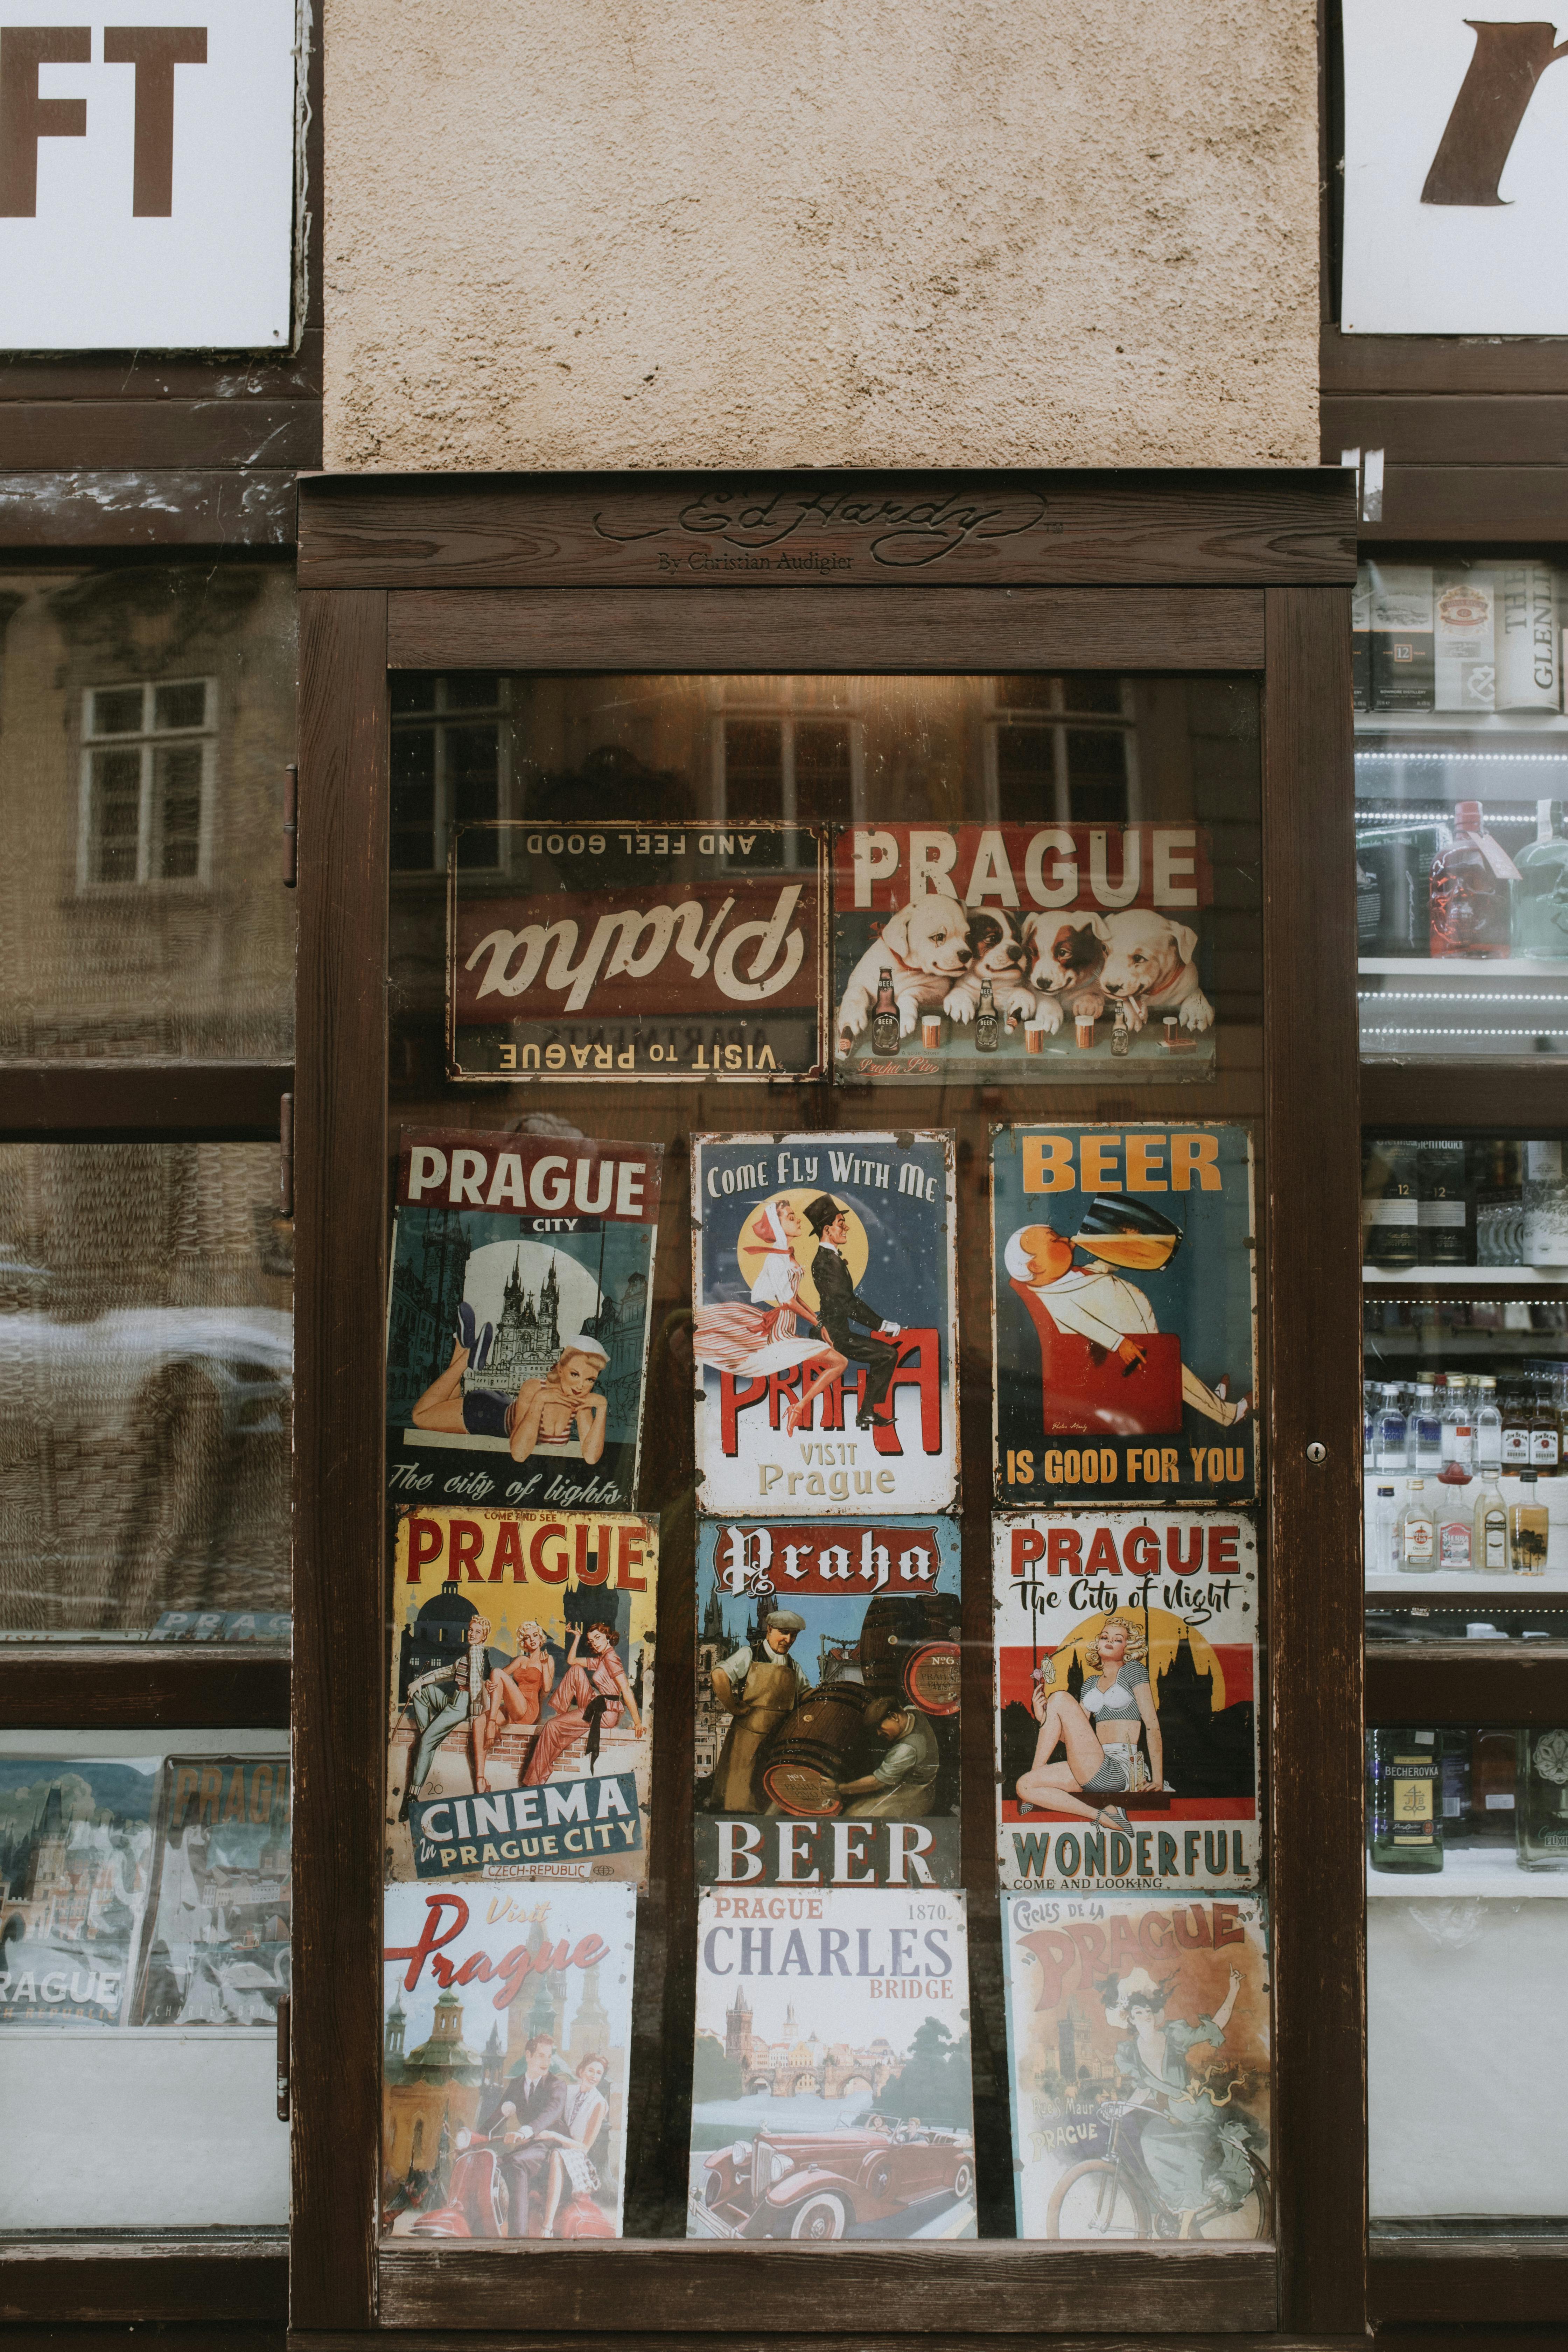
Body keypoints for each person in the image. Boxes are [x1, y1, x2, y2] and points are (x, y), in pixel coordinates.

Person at [1006, 1197, 1247, 1427]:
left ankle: (1212, 1403)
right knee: (1169, 1367)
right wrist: (1120, 1343)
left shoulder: (1064, 1278)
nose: (1066, 1238)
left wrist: (1125, 1246)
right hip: (1129, 1346)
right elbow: (1082, 1322)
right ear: (1036, 1265)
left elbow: (1097, 1271)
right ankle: (1228, 1414)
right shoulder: (1053, 1300)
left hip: (1138, 1335)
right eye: (1055, 1239)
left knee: (1171, 1372)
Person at [1101, 1963, 1253, 2237]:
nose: (1146, 2016)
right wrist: (1120, 2110)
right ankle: (1184, 2208)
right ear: (1130, 2019)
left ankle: (1183, 2233)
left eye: (1148, 2011)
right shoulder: (1130, 2052)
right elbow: (1145, 2089)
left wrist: (1233, 1991)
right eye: (1139, 2012)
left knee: (1190, 2155)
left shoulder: (1173, 2036)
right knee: (1150, 2139)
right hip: (1173, 2115)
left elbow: (1216, 2026)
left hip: (1197, 2112)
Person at [692, 1197, 847, 1435]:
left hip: (787, 1329)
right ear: (777, 1225)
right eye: (791, 1218)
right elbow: (787, 1301)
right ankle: (799, 1408)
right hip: (780, 1333)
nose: (798, 1221)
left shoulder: (787, 1255)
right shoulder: (776, 1259)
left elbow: (795, 1296)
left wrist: (820, 1322)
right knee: (840, 1362)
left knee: (839, 1362)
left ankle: (798, 1407)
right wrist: (818, 1322)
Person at [1015, 1615, 1161, 1828]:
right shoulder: (1090, 1684)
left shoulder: (1133, 1671)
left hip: (1120, 1769)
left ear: (1128, 1648)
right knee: (1025, 1785)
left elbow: (1152, 1725)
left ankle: (1036, 1771)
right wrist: (1043, 1718)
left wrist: (1157, 1779)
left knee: (1060, 1698)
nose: (1109, 1641)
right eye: (1105, 1637)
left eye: (1118, 1639)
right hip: (1094, 1766)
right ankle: (1103, 1816)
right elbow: (1074, 1739)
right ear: (1098, 1643)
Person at [411, 1317, 611, 1464]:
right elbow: (519, 1453)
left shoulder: (581, 1403)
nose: (581, 1386)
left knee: (444, 1403)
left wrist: (602, 1409)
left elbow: (592, 1457)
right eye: (575, 1374)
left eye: (590, 1379)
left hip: (499, 1402)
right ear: (560, 1368)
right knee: (420, 1417)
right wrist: (540, 1401)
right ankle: (466, 1358)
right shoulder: (535, 1387)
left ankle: (461, 1344)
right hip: (484, 1415)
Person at [802, 1195, 903, 1432]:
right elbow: (848, 1303)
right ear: (827, 1230)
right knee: (887, 1355)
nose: (846, 1227)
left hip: (838, 1330)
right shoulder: (827, 1262)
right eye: (840, 1223)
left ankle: (867, 1413)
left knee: (887, 1355)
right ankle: (867, 1414)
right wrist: (882, 1325)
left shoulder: (832, 1258)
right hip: (834, 1336)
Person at [706, 1609, 810, 1811]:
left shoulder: (793, 1666)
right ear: (769, 1630)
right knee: (740, 1801)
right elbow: (719, 1675)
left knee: (773, 1802)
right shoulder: (750, 1654)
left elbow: (806, 1694)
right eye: (784, 1633)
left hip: (778, 1742)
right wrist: (734, 1707)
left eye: (794, 1635)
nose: (788, 1640)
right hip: (747, 1742)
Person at [522, 1621, 642, 1786]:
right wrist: (577, 1637)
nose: (596, 1643)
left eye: (599, 1638)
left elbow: (626, 1689)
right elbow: (572, 1661)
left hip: (605, 1713)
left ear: (608, 1637)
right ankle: (562, 1714)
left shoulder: (611, 1659)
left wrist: (638, 1723)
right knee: (576, 1670)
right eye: (592, 1641)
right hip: (598, 1704)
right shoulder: (603, 1658)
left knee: (552, 1726)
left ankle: (533, 1782)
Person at [476, 2031, 572, 2238]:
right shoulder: (517, 2085)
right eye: (541, 2056)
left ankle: (517, 2238)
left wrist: (525, 2131)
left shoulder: (557, 2085)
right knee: (494, 2164)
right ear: (528, 2056)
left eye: (549, 2057)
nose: (546, 2062)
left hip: (551, 2145)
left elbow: (551, 2113)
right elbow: (497, 2115)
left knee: (518, 2163)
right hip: (529, 2146)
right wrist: (474, 2139)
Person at [397, 1614, 491, 1823]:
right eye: (471, 1630)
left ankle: (412, 1796)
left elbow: (476, 1683)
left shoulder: (476, 1651)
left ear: (484, 1637)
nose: (472, 1634)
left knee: (427, 1742)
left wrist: (476, 1710)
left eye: (478, 1632)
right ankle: (428, 1738)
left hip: (462, 1706)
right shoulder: (469, 1653)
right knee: (422, 1693)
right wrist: (420, 1681)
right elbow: (447, 1672)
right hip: (454, 1700)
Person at [475, 1620, 554, 1793]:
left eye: (535, 1636)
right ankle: (481, 1780)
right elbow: (498, 1678)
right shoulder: (520, 1660)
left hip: (528, 1710)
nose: (532, 1640)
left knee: (496, 1673)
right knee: (478, 1722)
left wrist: (546, 1664)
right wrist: (489, 1684)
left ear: (541, 1638)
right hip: (514, 1707)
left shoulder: (547, 1660)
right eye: (527, 1638)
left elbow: (547, 1689)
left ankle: (492, 1723)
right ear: (523, 1643)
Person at [538, 2053, 612, 2237]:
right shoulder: (568, 2091)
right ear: (581, 2071)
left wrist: (556, 2136)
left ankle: (547, 2227)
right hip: (557, 2144)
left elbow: (585, 2147)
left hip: (577, 2155)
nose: (594, 2076)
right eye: (591, 2071)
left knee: (557, 2155)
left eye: (599, 2073)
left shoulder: (599, 2103)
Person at [834, 1696, 940, 1817]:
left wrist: (839, 1788)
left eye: (880, 1727)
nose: (879, 1733)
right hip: (924, 1785)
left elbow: (876, 1783)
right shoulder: (912, 1711)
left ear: (895, 1717)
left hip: (916, 1795)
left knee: (854, 1814)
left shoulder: (906, 1749)